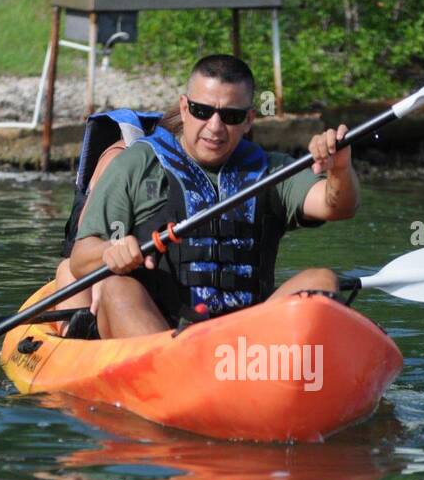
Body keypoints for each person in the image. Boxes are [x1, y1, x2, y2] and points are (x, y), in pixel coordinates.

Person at [50, 54, 358, 339]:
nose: (215, 127)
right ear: (184, 108)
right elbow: (79, 259)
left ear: (250, 119)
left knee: (320, 280)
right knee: (117, 288)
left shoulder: (270, 170)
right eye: (202, 111)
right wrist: (109, 252)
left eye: (231, 116)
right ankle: (174, 374)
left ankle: (262, 372)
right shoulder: (137, 165)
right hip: (158, 338)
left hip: (248, 337)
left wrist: (340, 169)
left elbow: (337, 206)